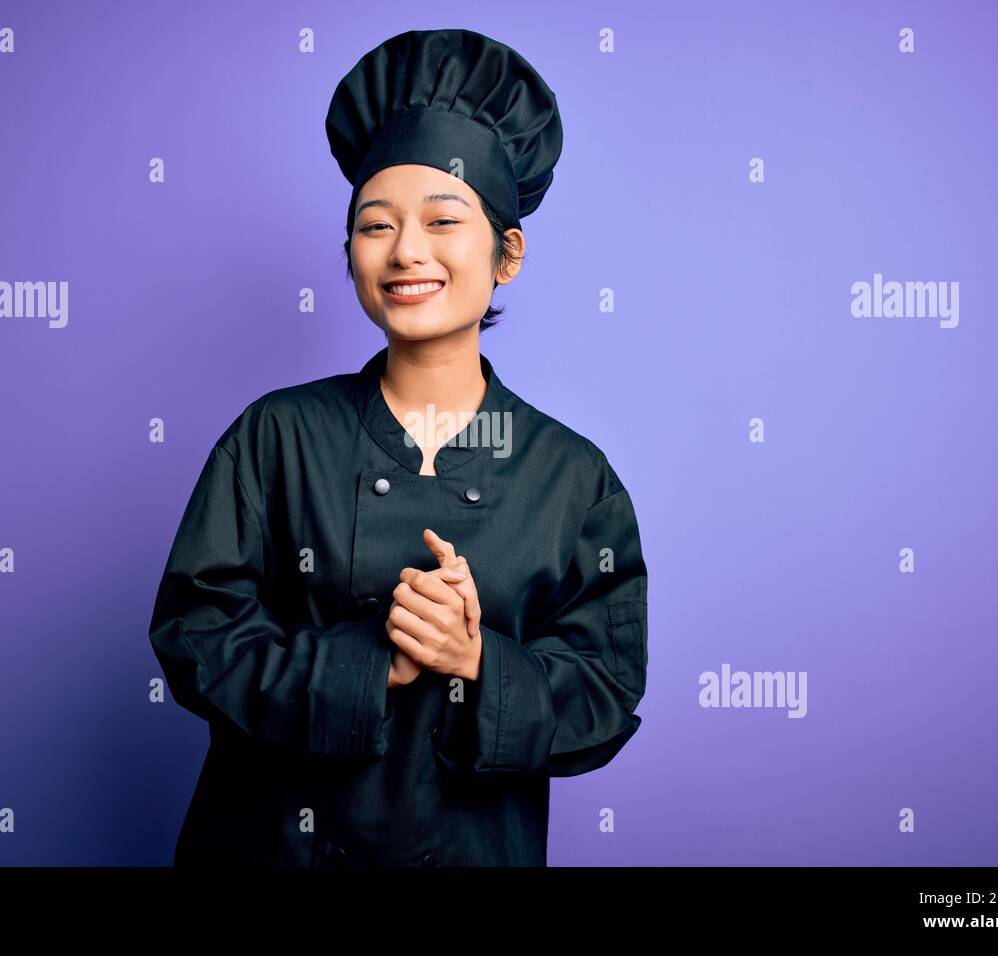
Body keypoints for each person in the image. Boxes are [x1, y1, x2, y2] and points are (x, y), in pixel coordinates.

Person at [147, 28, 648, 867]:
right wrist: (360, 667)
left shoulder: (574, 479)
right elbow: (196, 638)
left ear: (508, 253)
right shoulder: (275, 437)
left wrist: (476, 657)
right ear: (351, 255)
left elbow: (606, 692)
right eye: (376, 225)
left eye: (443, 220)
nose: (407, 250)